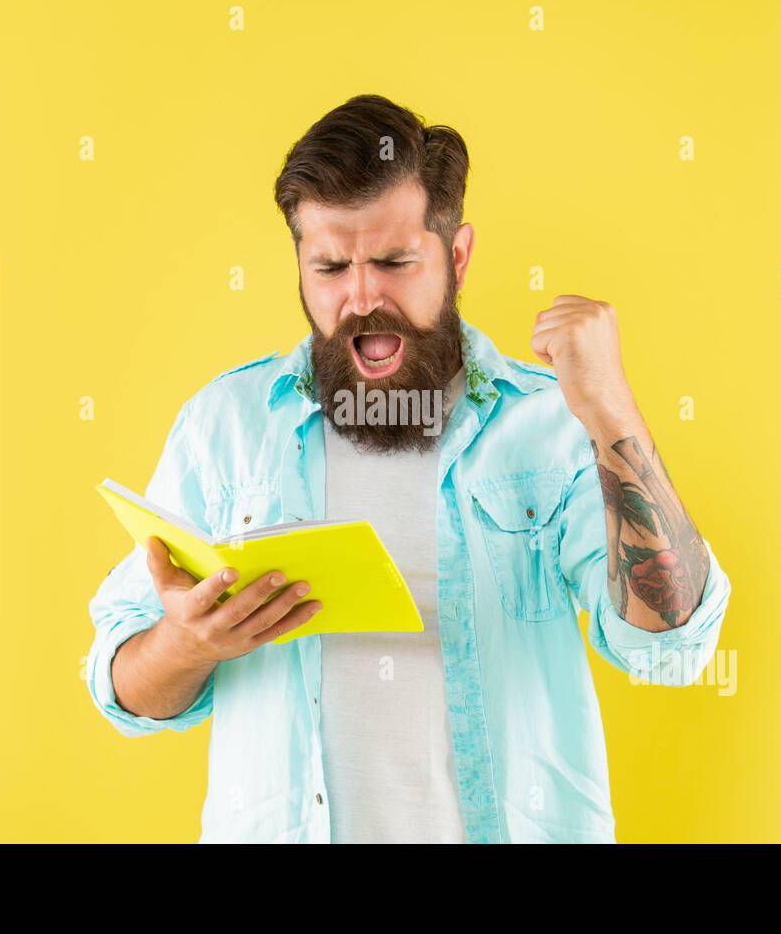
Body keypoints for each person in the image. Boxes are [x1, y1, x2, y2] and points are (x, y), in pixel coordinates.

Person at [85, 94, 732, 843]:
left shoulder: (553, 425)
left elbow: (674, 645)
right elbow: (122, 688)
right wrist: (186, 644)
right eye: (329, 266)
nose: (362, 296)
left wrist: (612, 412)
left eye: (394, 261)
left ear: (456, 256)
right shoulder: (226, 428)